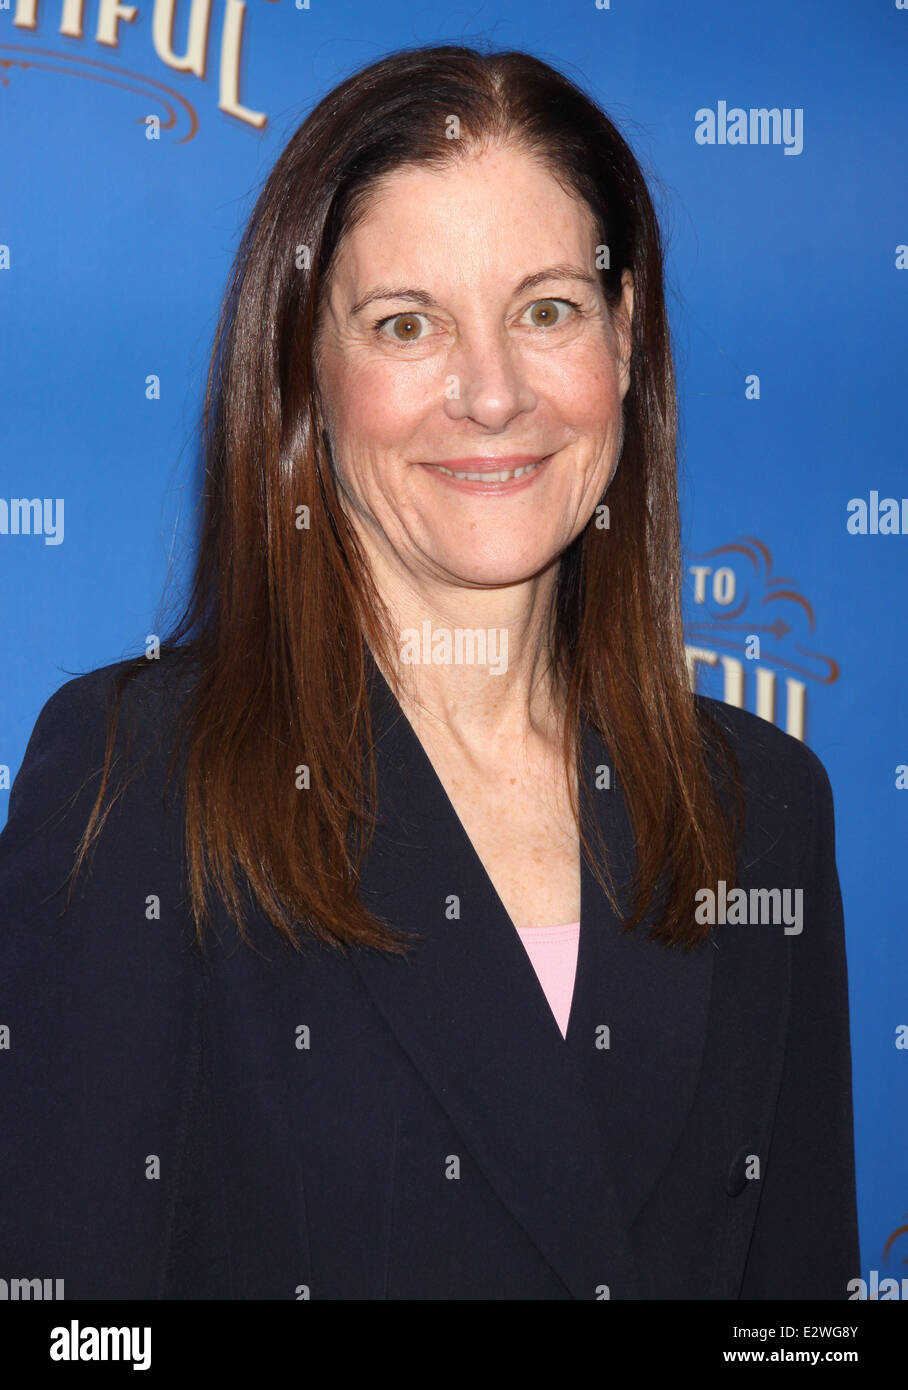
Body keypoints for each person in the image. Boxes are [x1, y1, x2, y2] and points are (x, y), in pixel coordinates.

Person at [0, 43, 858, 1300]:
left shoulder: (765, 807)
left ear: (624, 344)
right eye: (407, 324)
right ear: (306, 373)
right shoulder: (138, 780)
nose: (492, 393)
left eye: (547, 309)